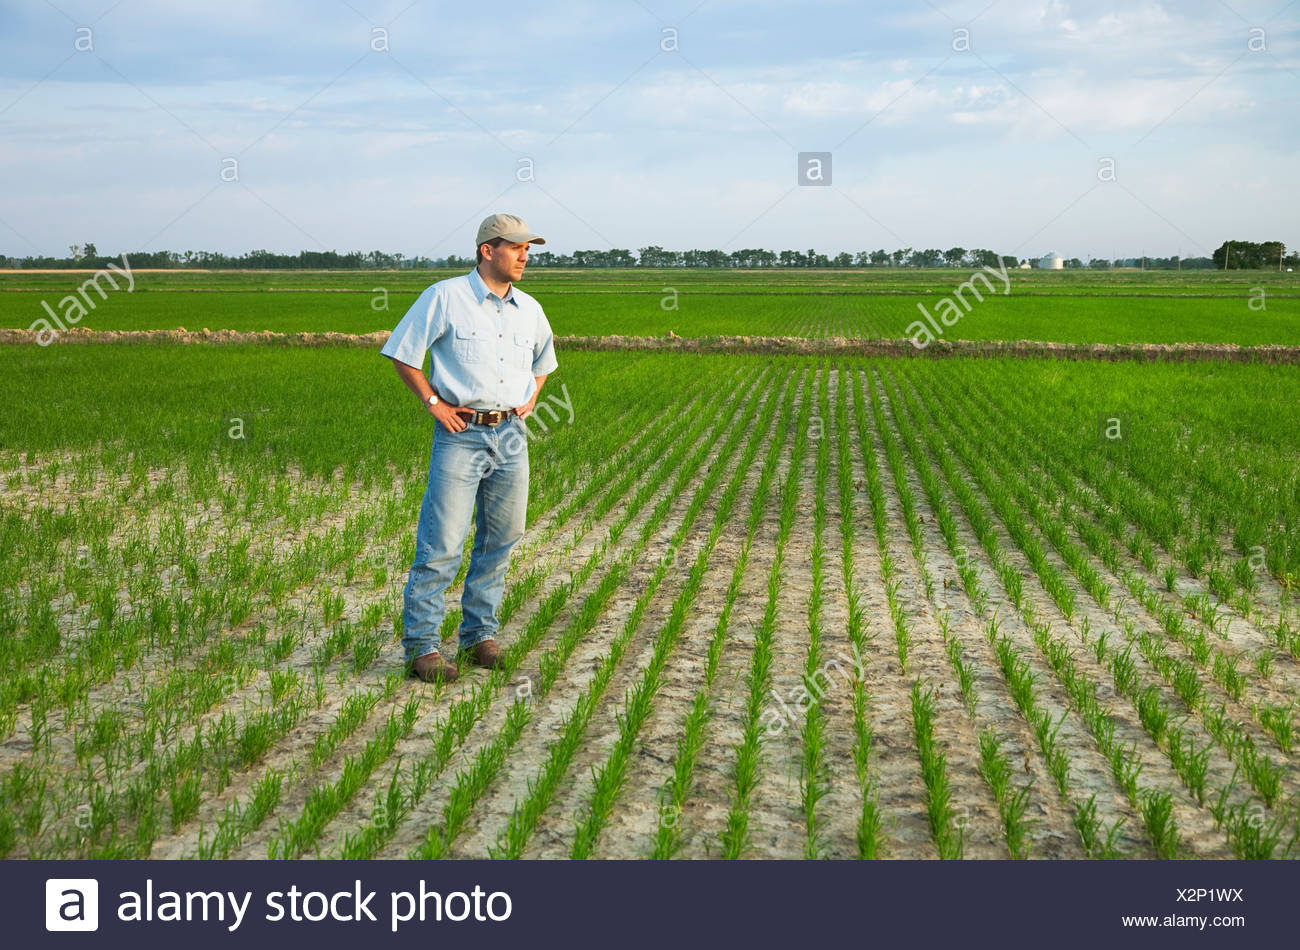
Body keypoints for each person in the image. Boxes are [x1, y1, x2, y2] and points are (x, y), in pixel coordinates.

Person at [381, 213, 558, 683]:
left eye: (528, 249)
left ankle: (479, 636)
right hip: (461, 434)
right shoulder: (444, 297)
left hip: (511, 436)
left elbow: (544, 361)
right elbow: (403, 351)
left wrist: (533, 396)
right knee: (442, 543)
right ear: (487, 250)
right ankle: (422, 646)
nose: (524, 256)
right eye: (516, 247)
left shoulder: (531, 309)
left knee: (501, 538)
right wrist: (433, 402)